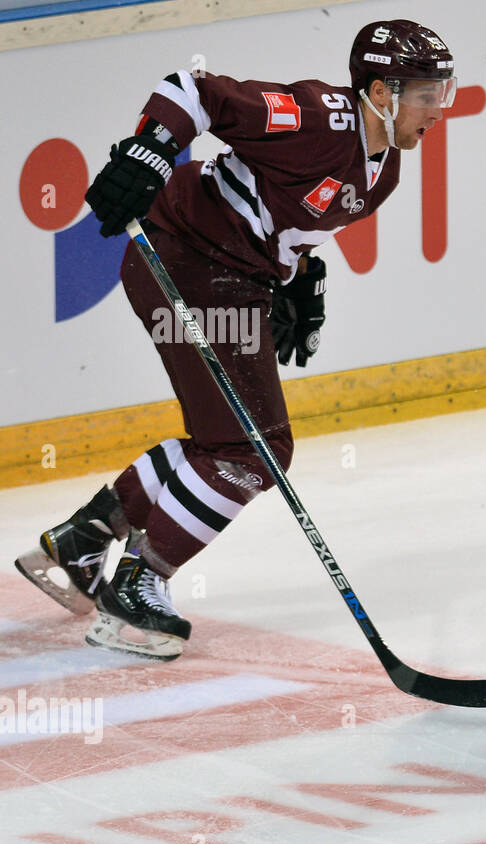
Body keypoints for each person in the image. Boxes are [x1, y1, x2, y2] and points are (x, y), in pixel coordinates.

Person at [14, 20, 457, 660]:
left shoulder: (381, 171)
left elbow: (284, 221)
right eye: (426, 94)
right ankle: (137, 586)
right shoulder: (315, 116)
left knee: (220, 444)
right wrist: (150, 150)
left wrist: (301, 282)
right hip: (186, 266)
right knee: (256, 450)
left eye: (443, 92)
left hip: (229, 281)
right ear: (383, 93)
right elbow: (195, 91)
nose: (438, 110)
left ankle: (84, 542)